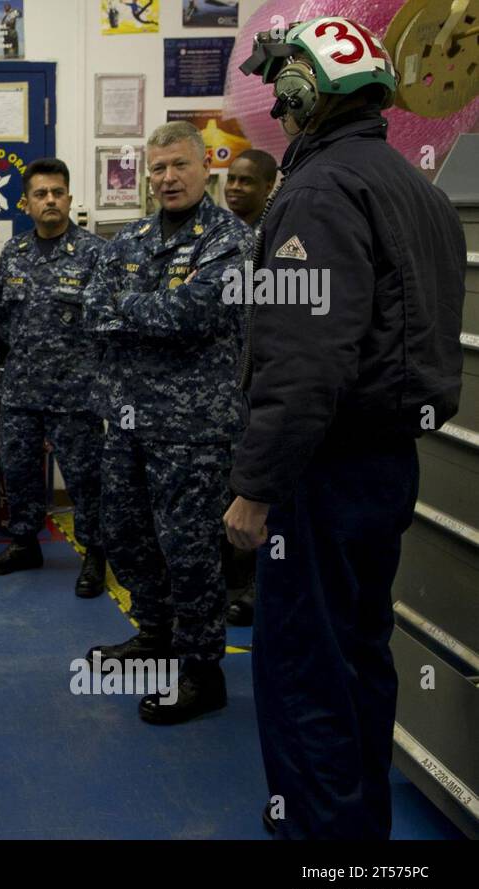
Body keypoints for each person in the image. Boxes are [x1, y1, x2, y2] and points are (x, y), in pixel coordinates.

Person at [230, 17, 464, 839]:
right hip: (386, 465)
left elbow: (303, 364)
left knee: (305, 669)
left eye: (284, 84)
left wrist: (256, 488)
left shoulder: (320, 192)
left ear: (305, 92)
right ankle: (353, 830)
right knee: (359, 653)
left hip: (321, 473)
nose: (277, 102)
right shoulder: (416, 188)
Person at [83, 122, 252, 724]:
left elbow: (195, 312)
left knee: (189, 550)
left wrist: (126, 310)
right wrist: (140, 314)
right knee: (125, 536)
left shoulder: (232, 240)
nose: (167, 178)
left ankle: (203, 671)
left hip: (195, 429)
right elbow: (91, 312)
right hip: (128, 421)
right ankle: (154, 637)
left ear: (207, 168)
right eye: (157, 168)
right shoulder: (129, 240)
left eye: (179, 165)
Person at [0, 159, 108, 599]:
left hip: (76, 394)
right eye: (40, 194)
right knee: (18, 472)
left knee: (85, 477)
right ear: (26, 203)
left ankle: (95, 551)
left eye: (57, 192)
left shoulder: (96, 254)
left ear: (69, 199)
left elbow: (110, 324)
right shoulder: (12, 254)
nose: (50, 200)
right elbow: (0, 321)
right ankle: (24, 543)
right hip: (20, 390)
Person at [219, 146, 278, 628]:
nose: (236, 188)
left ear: (268, 186)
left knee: (257, 490)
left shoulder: (275, 240)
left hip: (262, 390)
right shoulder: (219, 238)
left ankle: (257, 588)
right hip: (220, 391)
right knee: (226, 491)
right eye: (231, 180)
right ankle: (231, 582)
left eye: (247, 181)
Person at [224, 149, 277, 230]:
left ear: (268, 188)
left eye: (246, 181)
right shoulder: (219, 227)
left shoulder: (277, 228)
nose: (234, 187)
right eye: (231, 179)